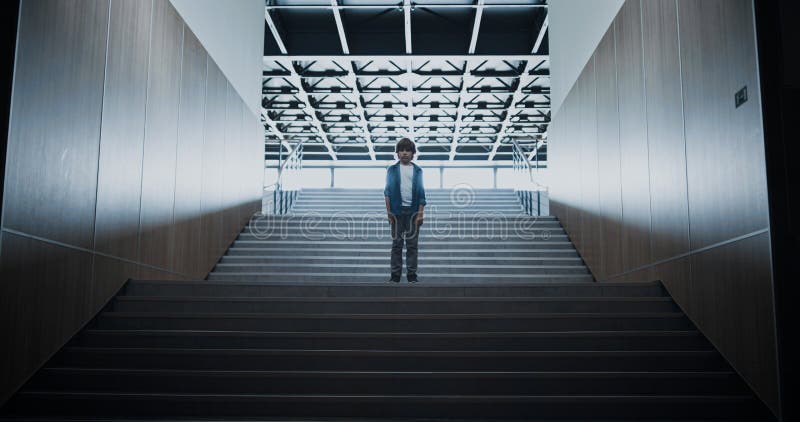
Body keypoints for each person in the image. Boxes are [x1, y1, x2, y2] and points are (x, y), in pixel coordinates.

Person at [384, 138, 426, 283]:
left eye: (408, 150)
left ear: (413, 153)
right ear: (397, 153)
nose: (404, 153)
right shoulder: (392, 170)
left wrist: (420, 213)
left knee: (412, 245)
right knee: (397, 244)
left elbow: (421, 193)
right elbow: (387, 192)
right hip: (397, 212)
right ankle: (395, 276)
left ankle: (411, 275)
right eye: (401, 150)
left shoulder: (418, 170)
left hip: (413, 213)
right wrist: (389, 213)